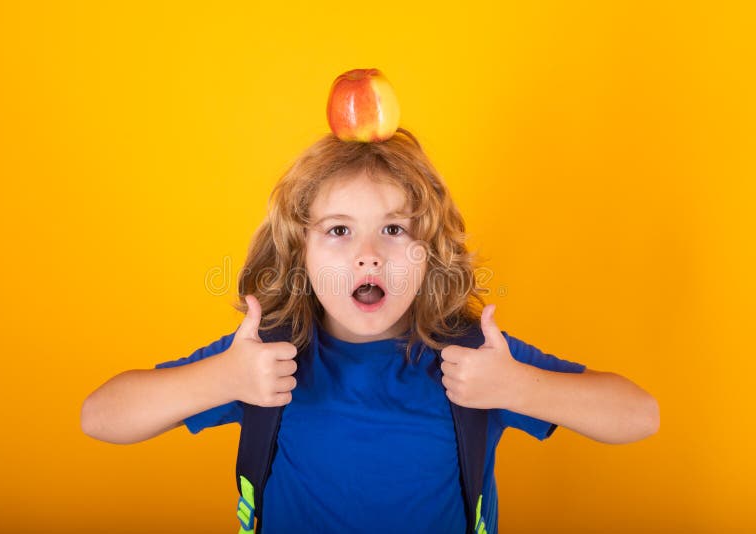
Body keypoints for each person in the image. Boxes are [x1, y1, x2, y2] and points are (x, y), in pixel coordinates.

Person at [81, 128, 660, 533]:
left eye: (394, 230)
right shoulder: (263, 357)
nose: (368, 255)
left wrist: (517, 388)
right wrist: (222, 378)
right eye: (338, 231)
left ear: (431, 253)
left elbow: (640, 415)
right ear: (300, 253)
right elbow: (100, 416)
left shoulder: (477, 358)